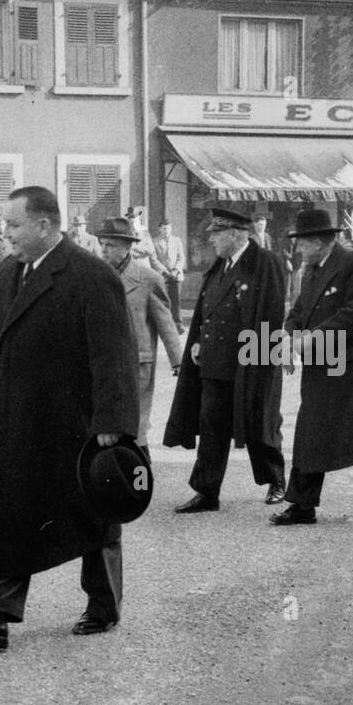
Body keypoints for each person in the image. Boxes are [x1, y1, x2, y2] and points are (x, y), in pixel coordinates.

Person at [0, 187, 141, 650]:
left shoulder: (91, 277)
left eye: (13, 225)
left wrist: (114, 421)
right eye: (3, 224)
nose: (3, 232)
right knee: (12, 516)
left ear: (45, 226)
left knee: (95, 510)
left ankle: (103, 605)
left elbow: (114, 357)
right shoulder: (7, 274)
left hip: (77, 422)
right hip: (17, 421)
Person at [271, 209, 353, 524]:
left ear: (318, 241)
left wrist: (306, 342)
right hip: (322, 364)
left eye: (302, 244)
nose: (299, 250)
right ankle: (302, 504)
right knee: (310, 430)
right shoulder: (312, 269)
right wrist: (286, 341)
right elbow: (298, 312)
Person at [165, 206, 285, 512]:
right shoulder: (220, 266)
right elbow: (208, 312)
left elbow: (271, 317)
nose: (211, 240)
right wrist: (198, 344)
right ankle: (207, 492)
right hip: (215, 364)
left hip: (251, 362)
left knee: (260, 423)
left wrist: (261, 363)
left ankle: (276, 481)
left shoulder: (264, 263)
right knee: (211, 427)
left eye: (216, 234)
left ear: (235, 234)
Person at [97, 216, 183, 446]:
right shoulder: (95, 277)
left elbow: (166, 322)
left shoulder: (148, 279)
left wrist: (178, 362)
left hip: (137, 362)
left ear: (126, 248)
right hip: (103, 362)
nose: (103, 250)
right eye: (102, 244)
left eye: (110, 245)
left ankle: (140, 476)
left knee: (135, 427)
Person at [153, 220, 187, 332]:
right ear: (159, 229)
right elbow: (154, 259)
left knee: (176, 300)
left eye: (168, 228)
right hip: (163, 276)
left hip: (176, 276)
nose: (167, 230)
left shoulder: (176, 240)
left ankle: (178, 324)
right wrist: (165, 272)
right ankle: (166, 325)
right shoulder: (155, 242)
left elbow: (181, 257)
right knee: (164, 300)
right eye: (164, 228)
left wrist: (176, 270)